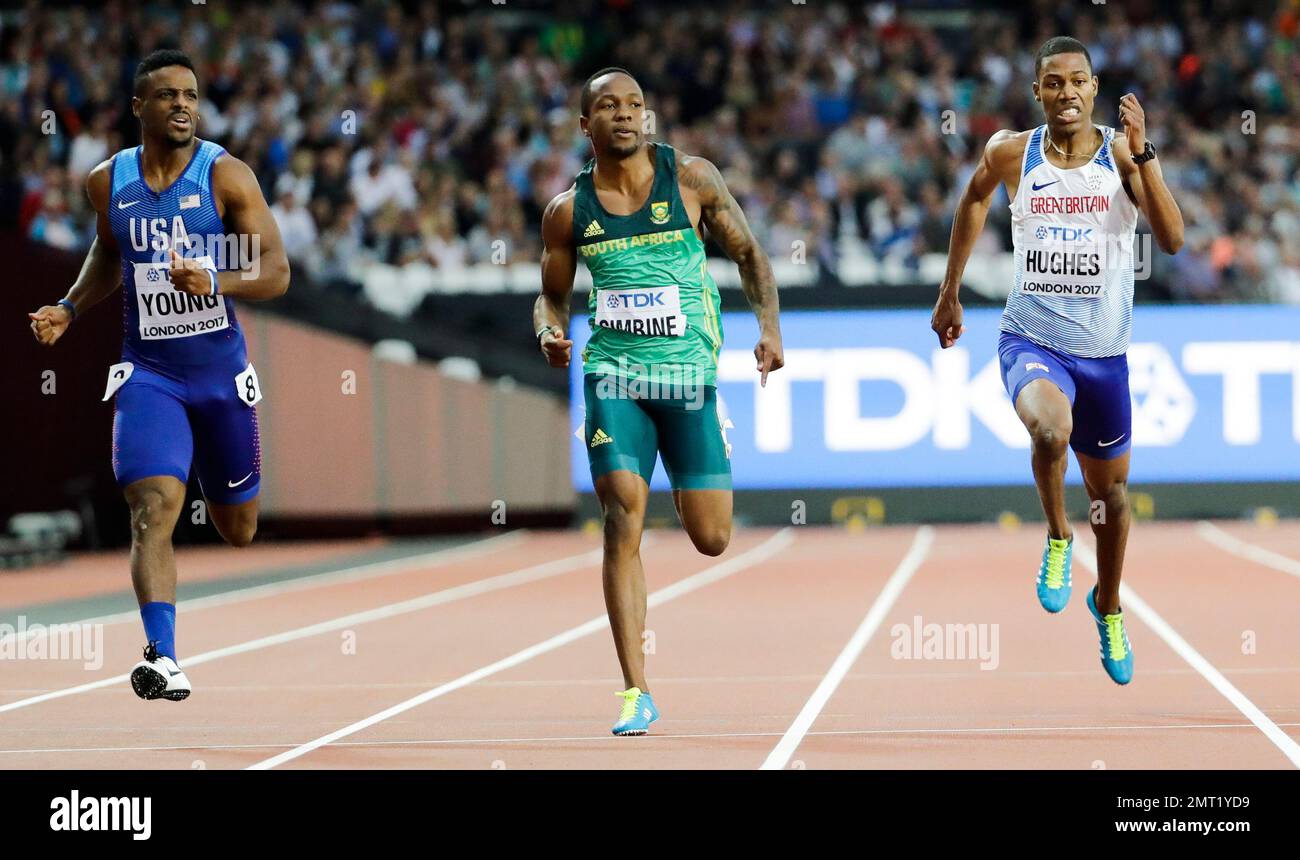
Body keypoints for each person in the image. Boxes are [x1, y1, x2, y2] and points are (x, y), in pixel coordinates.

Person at [28, 49, 290, 701]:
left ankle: (225, 503)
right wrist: (68, 306)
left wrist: (213, 280)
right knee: (153, 509)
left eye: (191, 96)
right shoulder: (105, 182)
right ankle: (162, 656)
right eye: (168, 95)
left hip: (220, 376)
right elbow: (108, 251)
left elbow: (278, 273)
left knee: (239, 529)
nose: (182, 105)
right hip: (149, 375)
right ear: (138, 107)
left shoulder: (227, 177)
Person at [534, 68, 783, 734]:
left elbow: (750, 255)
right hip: (613, 376)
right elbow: (553, 294)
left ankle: (687, 462)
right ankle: (635, 689)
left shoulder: (693, 179)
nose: (625, 114)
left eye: (635, 104)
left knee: (711, 537)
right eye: (608, 107)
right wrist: (547, 328)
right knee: (623, 512)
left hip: (688, 379)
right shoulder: (567, 211)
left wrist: (768, 330)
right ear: (585, 126)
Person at [930, 37, 1184, 685]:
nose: (1065, 92)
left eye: (1077, 81)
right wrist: (950, 290)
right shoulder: (1011, 152)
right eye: (1052, 82)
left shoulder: (1123, 154)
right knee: (1049, 429)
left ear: (1093, 88)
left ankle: (1109, 602)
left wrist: (1143, 152)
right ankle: (1058, 536)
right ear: (1037, 91)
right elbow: (972, 200)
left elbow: (1175, 240)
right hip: (1031, 341)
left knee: (1115, 501)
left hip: (1104, 356)